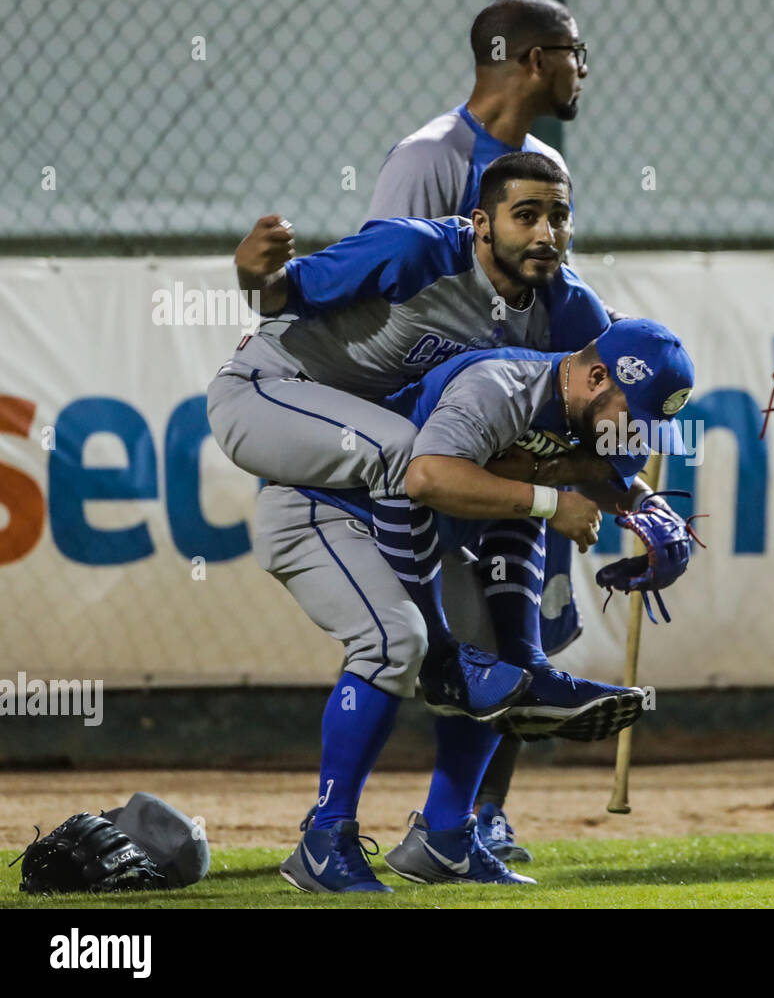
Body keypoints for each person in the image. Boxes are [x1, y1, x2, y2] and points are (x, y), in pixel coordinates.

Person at [274, 320, 694, 891]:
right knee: (396, 642)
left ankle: (444, 840)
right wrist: (550, 501)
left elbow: (607, 474)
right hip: (326, 511)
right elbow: (425, 476)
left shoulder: (584, 411)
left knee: (500, 667)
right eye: (635, 418)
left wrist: (653, 514)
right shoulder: (500, 385)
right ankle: (324, 841)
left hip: (413, 535)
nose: (635, 437)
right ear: (596, 376)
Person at [367, 0, 598, 862]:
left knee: (537, 630)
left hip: (519, 428)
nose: (584, 69)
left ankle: (472, 819)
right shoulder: (430, 158)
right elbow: (376, 294)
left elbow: (554, 300)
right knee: (444, 638)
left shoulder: (540, 162)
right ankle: (419, 823)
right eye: (576, 50)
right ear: (536, 59)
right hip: (437, 436)